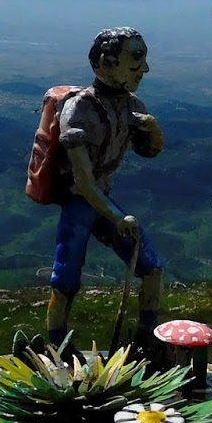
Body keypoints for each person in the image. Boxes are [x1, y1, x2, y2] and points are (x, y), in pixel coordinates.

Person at [46, 27, 165, 359]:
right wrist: (115, 216)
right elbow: (83, 182)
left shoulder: (131, 105)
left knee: (152, 268)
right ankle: (57, 345)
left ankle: (147, 337)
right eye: (136, 59)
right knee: (65, 277)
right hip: (81, 202)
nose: (144, 69)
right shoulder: (78, 109)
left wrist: (153, 129)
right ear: (107, 63)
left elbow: (150, 151)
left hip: (104, 201)